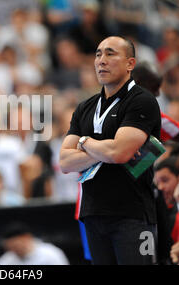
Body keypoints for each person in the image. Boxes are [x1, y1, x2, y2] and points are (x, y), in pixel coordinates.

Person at [59, 36, 161, 265]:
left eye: (110, 53)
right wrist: (106, 147)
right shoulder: (85, 107)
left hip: (132, 214)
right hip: (94, 213)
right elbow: (65, 161)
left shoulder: (142, 101)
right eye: (98, 54)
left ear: (130, 64)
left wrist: (84, 141)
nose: (101, 60)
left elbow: (119, 154)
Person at [0, 222, 69, 265]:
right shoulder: (6, 260)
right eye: (10, 248)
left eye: (15, 246)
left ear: (26, 237)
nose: (13, 250)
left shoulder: (51, 253)